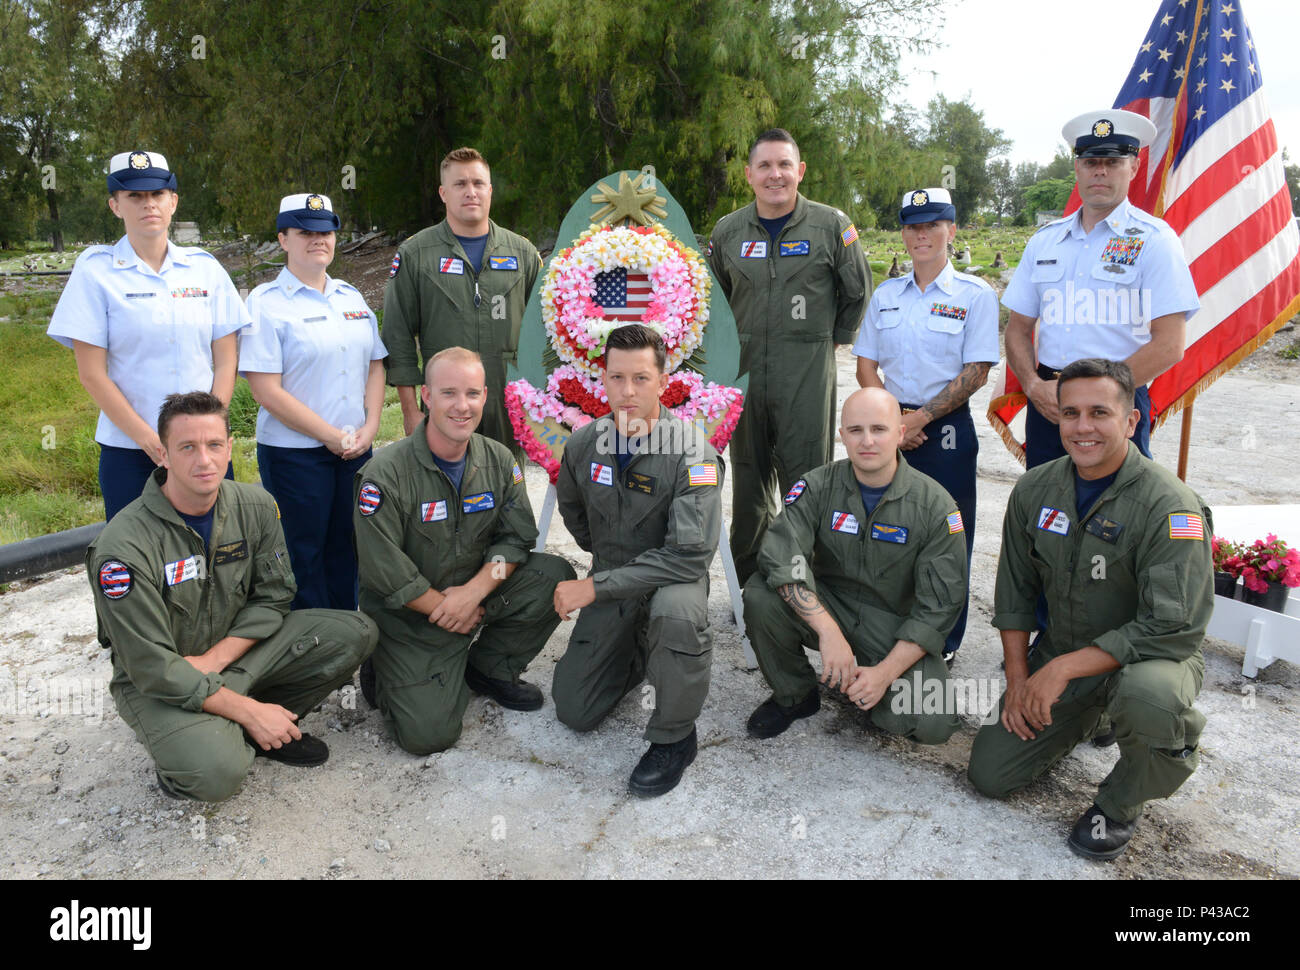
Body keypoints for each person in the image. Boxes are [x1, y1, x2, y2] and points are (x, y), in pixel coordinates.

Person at [967, 359, 1212, 860]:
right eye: (1070, 413)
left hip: (1150, 658)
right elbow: (1013, 597)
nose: (1082, 427)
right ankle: (1092, 714)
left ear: (1130, 421)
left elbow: (1174, 627)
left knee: (1150, 698)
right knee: (990, 774)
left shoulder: (1172, 507)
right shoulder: (1035, 490)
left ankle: (1123, 799)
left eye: (1099, 412)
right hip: (1066, 652)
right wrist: (1019, 679)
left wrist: (1061, 669)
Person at [86, 391, 377, 801]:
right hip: (160, 679)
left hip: (232, 656)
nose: (203, 460)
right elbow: (149, 665)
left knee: (355, 632)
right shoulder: (123, 546)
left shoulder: (255, 506)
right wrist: (248, 710)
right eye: (187, 447)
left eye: (214, 445)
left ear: (228, 450)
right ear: (163, 454)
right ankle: (224, 731)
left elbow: (274, 597)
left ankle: (250, 727)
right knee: (216, 775)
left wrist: (216, 661)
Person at [352, 348, 574, 756]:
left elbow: (515, 538)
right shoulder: (385, 474)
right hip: (412, 619)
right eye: (449, 392)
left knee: (553, 576)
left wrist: (472, 595)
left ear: (485, 397)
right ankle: (384, 671)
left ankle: (488, 669)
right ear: (426, 396)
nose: (461, 406)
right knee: (429, 737)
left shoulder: (498, 459)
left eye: (472, 393)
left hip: (472, 596)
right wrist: (445, 607)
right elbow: (384, 570)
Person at [553, 324, 723, 797]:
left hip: (673, 582)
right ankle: (635, 655)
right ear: (602, 379)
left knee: (674, 613)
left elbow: (688, 558)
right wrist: (606, 573)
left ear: (663, 381)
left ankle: (674, 737)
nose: (627, 391)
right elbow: (576, 517)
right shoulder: (584, 446)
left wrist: (595, 587)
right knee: (575, 709)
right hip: (614, 578)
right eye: (617, 377)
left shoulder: (693, 455)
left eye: (642, 378)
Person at [742, 387, 967, 744]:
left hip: (893, 625)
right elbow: (782, 558)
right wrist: (829, 633)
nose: (867, 441)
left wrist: (884, 674)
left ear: (900, 433)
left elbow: (939, 608)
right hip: (831, 606)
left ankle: (870, 686)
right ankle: (795, 696)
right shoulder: (816, 486)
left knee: (931, 724)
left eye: (879, 429)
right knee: (759, 595)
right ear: (842, 435)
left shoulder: (936, 507)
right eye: (856, 430)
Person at [707, 128, 871, 586]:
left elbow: (858, 290)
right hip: (744, 371)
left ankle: (805, 580)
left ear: (799, 171)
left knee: (808, 475)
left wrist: (831, 339)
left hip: (807, 367)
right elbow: (714, 301)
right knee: (749, 476)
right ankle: (750, 581)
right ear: (749, 175)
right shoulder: (728, 231)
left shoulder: (831, 226)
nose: (774, 175)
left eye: (784, 165)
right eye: (764, 166)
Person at [47, 151, 248, 519]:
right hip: (131, 451)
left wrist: (207, 431)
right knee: (136, 564)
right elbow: (92, 373)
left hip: (203, 452)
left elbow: (225, 359)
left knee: (218, 557)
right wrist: (153, 443)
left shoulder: (205, 269)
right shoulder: (96, 272)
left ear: (173, 201)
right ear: (115, 205)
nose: (148, 205)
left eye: (157, 194)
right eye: (134, 196)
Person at [1003, 110, 1199, 470]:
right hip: (1049, 402)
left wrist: (1098, 397)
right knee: (1046, 510)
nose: (1100, 172)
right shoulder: (1045, 242)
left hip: (1118, 402)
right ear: (1076, 168)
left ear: (1134, 168)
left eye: (1111, 162)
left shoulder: (1155, 241)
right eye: (1091, 162)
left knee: (1119, 513)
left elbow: (1170, 344)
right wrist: (1031, 384)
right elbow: (1017, 328)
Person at [854, 187, 999, 665]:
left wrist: (920, 418)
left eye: (932, 225)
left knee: (948, 534)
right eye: (913, 226)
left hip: (946, 430)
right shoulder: (886, 294)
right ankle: (889, 625)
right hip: (889, 425)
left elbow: (977, 370)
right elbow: (866, 363)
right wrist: (893, 422)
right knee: (887, 527)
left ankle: (944, 639)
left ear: (951, 231)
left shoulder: (975, 295)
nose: (922, 235)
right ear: (903, 233)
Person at [240, 193, 387, 610]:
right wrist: (329, 436)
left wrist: (371, 426)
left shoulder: (351, 297)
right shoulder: (265, 304)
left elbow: (376, 365)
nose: (318, 239)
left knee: (351, 547)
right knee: (303, 556)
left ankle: (345, 641)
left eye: (325, 231)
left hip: (356, 449)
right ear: (283, 239)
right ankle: (311, 654)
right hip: (296, 456)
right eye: (305, 231)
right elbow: (265, 390)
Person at [381, 147, 541, 457]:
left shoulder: (523, 254)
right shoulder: (416, 254)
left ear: (490, 190)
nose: (471, 192)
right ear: (443, 192)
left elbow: (545, 332)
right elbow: (397, 334)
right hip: (444, 405)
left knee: (506, 488)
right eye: (460, 184)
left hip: (506, 404)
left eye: (478, 183)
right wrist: (410, 411)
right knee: (440, 491)